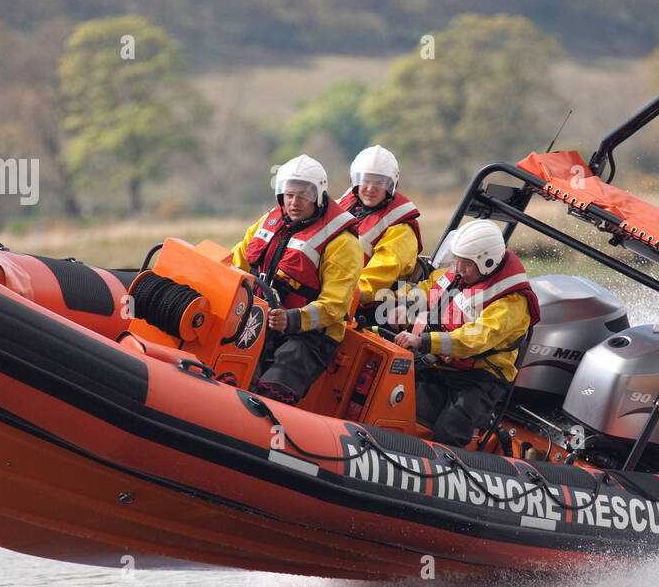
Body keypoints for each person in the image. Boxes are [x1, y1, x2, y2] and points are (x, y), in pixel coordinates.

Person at [393, 219, 540, 446]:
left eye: (466, 263)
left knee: (450, 428)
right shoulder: (466, 270)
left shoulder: (513, 302)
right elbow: (431, 288)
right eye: (459, 260)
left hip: (479, 378)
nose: (459, 268)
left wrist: (422, 340)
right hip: (440, 362)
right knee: (395, 392)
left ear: (487, 262)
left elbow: (476, 339)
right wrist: (405, 304)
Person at [231, 154, 362, 405]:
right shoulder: (271, 220)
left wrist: (291, 319)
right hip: (260, 317)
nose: (295, 202)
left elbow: (336, 305)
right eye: (289, 194)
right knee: (234, 371)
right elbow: (237, 261)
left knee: (272, 389)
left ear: (320, 195)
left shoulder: (343, 242)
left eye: (304, 194)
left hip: (311, 336)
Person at [333, 145, 422, 314]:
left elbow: (373, 283)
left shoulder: (401, 230)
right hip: (330, 294)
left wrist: (333, 293)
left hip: (365, 309)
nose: (370, 188)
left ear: (392, 184)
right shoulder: (343, 204)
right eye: (365, 181)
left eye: (379, 182)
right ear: (355, 180)